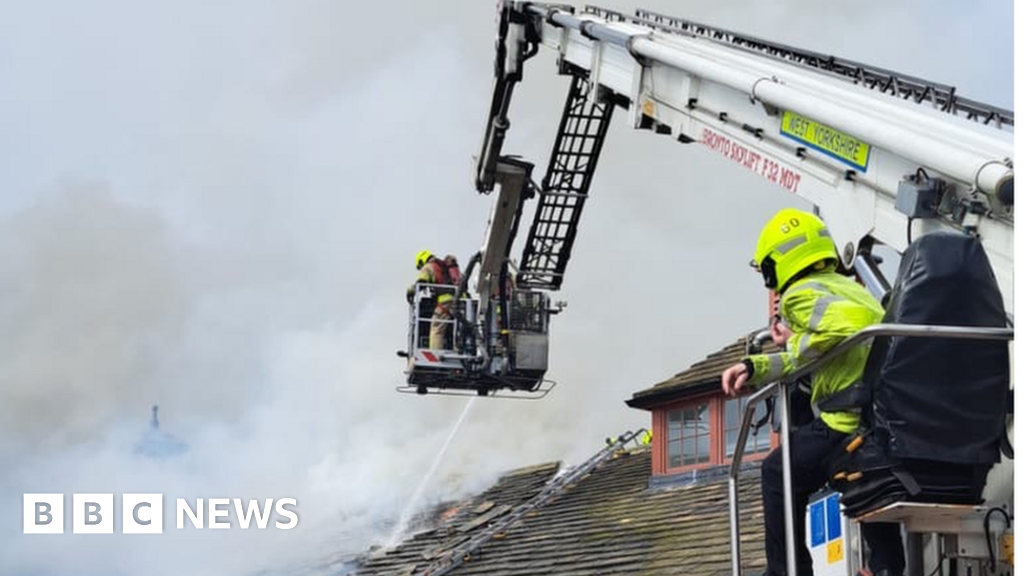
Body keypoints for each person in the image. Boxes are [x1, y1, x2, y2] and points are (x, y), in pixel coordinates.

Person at [721, 208, 904, 576]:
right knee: (867, 482)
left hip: (845, 419)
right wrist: (761, 365)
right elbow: (823, 346)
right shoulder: (850, 287)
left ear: (780, 261)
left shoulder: (798, 295)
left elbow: (848, 327)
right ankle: (887, 568)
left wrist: (793, 339)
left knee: (777, 472)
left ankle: (788, 571)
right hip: (878, 418)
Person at [407, 250, 461, 350]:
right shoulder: (445, 266)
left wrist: (411, 291)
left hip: (445, 301)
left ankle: (435, 353)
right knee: (457, 328)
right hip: (460, 302)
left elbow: (421, 282)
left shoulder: (429, 266)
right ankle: (457, 348)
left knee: (437, 328)